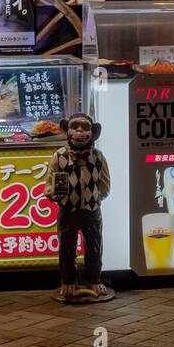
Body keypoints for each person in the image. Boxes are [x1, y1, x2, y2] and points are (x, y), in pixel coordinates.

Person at [49, 113, 112, 302]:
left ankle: (94, 278)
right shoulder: (59, 156)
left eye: (85, 128)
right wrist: (53, 193)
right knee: (67, 247)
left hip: (92, 211)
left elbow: (105, 185)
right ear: (66, 130)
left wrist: (94, 198)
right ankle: (68, 280)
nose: (79, 132)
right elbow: (49, 182)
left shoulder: (98, 157)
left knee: (94, 246)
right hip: (67, 211)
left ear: (93, 133)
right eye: (74, 127)